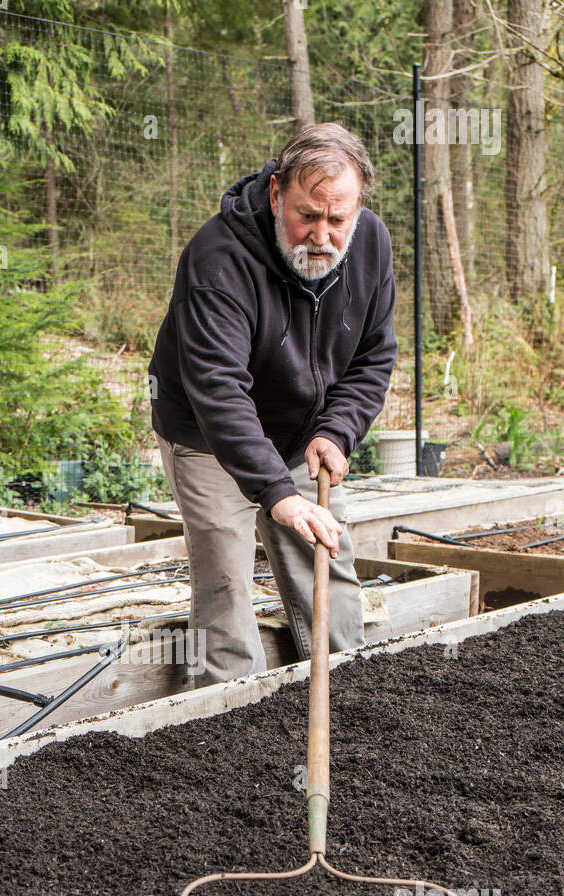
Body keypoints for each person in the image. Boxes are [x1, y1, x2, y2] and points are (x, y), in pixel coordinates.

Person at [147, 122, 397, 686]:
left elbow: (374, 356)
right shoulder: (218, 259)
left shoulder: (372, 244)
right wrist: (275, 493)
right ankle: (223, 710)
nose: (322, 235)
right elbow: (217, 388)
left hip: (302, 433)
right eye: (307, 215)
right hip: (209, 434)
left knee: (326, 562)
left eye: (338, 220)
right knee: (225, 578)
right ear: (276, 191)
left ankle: (345, 686)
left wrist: (336, 431)